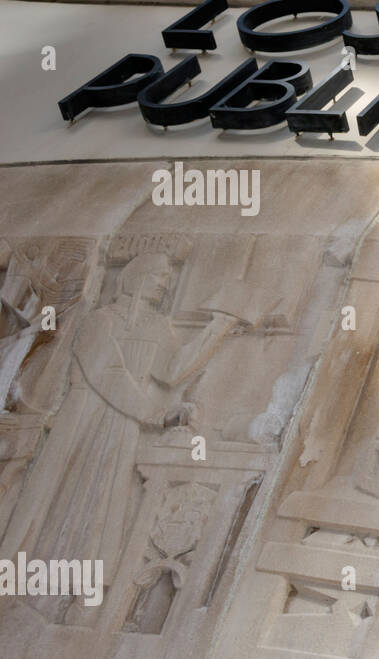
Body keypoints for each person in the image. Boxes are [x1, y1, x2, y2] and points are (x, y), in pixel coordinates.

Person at [5, 253, 243, 620]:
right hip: (83, 424)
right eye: (157, 275)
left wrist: (218, 328)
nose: (164, 283)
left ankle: (79, 597)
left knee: (104, 506)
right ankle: (35, 593)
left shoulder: (156, 325)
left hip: (122, 427)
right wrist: (157, 413)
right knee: (62, 500)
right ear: (135, 277)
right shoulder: (100, 320)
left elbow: (171, 371)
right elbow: (108, 373)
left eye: (167, 277)